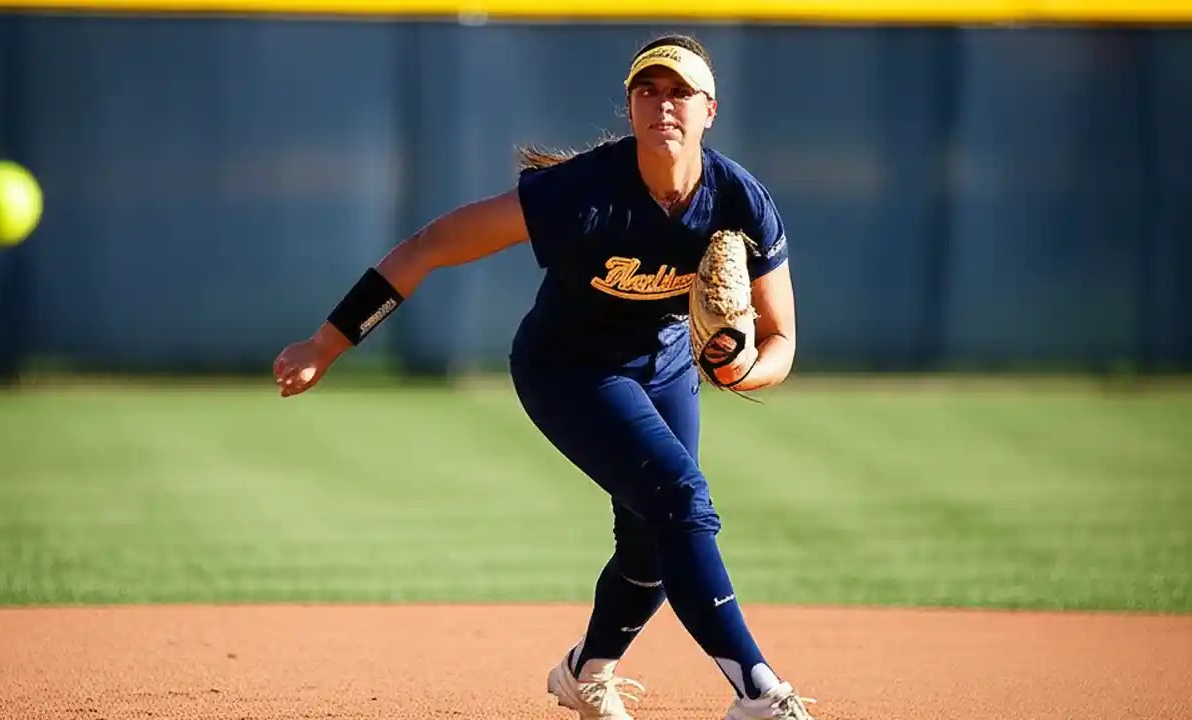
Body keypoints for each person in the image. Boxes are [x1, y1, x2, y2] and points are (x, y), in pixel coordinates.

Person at [273, 33, 815, 720]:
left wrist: (744, 371)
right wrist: (327, 342)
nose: (663, 104)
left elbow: (782, 339)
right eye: (648, 90)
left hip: (668, 366)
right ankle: (759, 693)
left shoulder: (741, 200)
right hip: (569, 369)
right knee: (681, 498)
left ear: (711, 110)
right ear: (630, 106)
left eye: (681, 91)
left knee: (654, 537)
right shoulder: (583, 192)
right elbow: (432, 244)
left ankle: (584, 673)